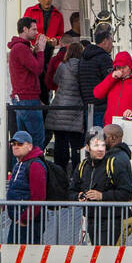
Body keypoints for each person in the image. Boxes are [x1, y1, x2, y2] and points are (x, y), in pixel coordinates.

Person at [69, 129, 132, 263]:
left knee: (101, 262)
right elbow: (71, 190)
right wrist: (79, 196)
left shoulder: (114, 162)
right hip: (92, 219)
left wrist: (102, 196)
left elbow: (127, 193)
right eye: (95, 145)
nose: (100, 149)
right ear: (87, 147)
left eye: (102, 145)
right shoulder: (83, 166)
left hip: (112, 218)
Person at [5, 130, 49, 263]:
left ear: (30, 146)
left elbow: (38, 197)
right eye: (14, 144)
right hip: (20, 221)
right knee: (20, 259)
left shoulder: (35, 165)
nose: (16, 146)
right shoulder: (21, 164)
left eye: (20, 144)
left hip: (29, 223)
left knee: (30, 260)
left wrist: (25, 219)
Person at [93, 52, 132, 175]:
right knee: (106, 161)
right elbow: (97, 94)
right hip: (110, 127)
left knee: (127, 162)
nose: (120, 70)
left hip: (130, 128)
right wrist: (111, 78)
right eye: (118, 67)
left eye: (123, 67)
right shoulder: (112, 79)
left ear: (130, 66)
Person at [45, 41, 86, 173]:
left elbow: (56, 81)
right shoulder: (82, 67)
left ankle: (60, 172)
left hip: (60, 108)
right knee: (76, 145)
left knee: (60, 144)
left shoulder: (62, 66)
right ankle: (76, 172)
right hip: (75, 109)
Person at [8, 17, 46, 149]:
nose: (36, 32)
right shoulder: (21, 48)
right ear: (25, 29)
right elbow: (37, 69)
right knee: (36, 138)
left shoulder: (19, 48)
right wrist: (40, 51)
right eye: (34, 29)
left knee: (22, 140)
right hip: (28, 98)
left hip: (22, 97)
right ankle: (36, 167)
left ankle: (23, 166)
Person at [78, 26, 115, 130]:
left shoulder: (84, 58)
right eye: (111, 41)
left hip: (87, 104)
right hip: (101, 105)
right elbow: (110, 81)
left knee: (91, 136)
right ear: (105, 41)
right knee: (102, 136)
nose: (112, 45)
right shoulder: (104, 58)